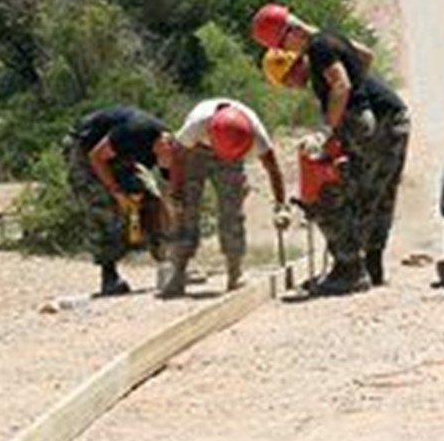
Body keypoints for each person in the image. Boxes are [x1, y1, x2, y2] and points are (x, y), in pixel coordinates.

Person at [252, 5, 409, 295]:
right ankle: (367, 268)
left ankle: (350, 270)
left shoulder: (319, 48)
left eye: (283, 45)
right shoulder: (329, 39)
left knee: (332, 197)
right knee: (375, 196)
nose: (294, 85)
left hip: (382, 123)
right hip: (385, 119)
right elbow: (365, 56)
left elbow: (341, 85)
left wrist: (330, 128)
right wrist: (363, 93)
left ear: (292, 33)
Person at [160, 98, 291, 297]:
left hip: (233, 152)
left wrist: (281, 205)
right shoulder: (196, 126)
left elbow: (273, 169)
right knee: (185, 210)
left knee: (232, 211)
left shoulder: (254, 131)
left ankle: (235, 272)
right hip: (195, 152)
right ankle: (178, 273)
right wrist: (176, 194)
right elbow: (177, 158)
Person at [62, 106, 184, 297]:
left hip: (119, 155)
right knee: (103, 206)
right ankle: (109, 277)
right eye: (167, 159)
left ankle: (167, 263)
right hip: (85, 149)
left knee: (152, 199)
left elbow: (170, 191)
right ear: (163, 144)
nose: (167, 164)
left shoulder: (169, 150)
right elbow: (96, 157)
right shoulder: (135, 131)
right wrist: (117, 192)